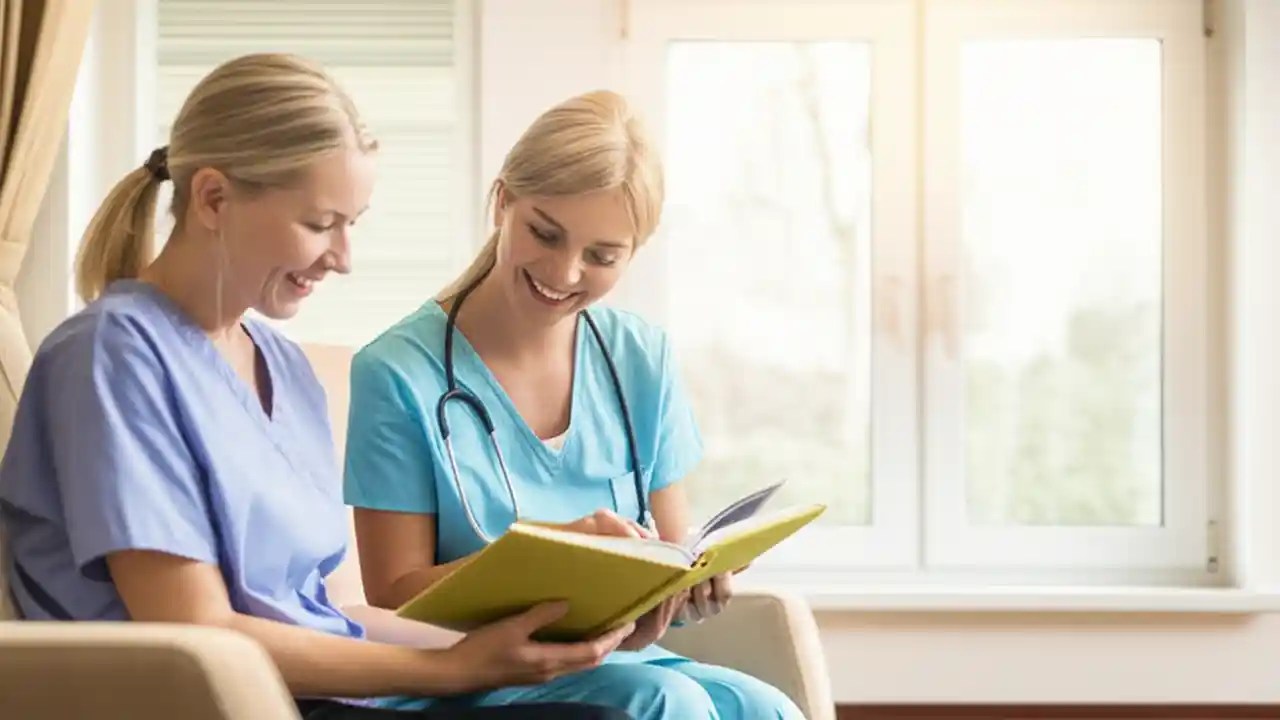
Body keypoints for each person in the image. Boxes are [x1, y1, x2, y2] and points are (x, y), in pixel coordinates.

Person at [0, 53, 642, 720]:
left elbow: (331, 615)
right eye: (319, 224)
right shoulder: (113, 355)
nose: (342, 258)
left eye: (350, 224)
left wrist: (522, 639)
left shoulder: (283, 366)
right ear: (213, 198)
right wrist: (451, 670)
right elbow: (197, 633)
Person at [343, 90, 805, 720]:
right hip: (473, 673)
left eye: (601, 256)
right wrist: (550, 551)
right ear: (503, 201)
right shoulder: (397, 372)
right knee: (665, 702)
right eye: (545, 234)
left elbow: (672, 549)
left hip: (619, 661)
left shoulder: (641, 357)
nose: (564, 273)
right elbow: (395, 596)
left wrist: (690, 584)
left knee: (764, 707)